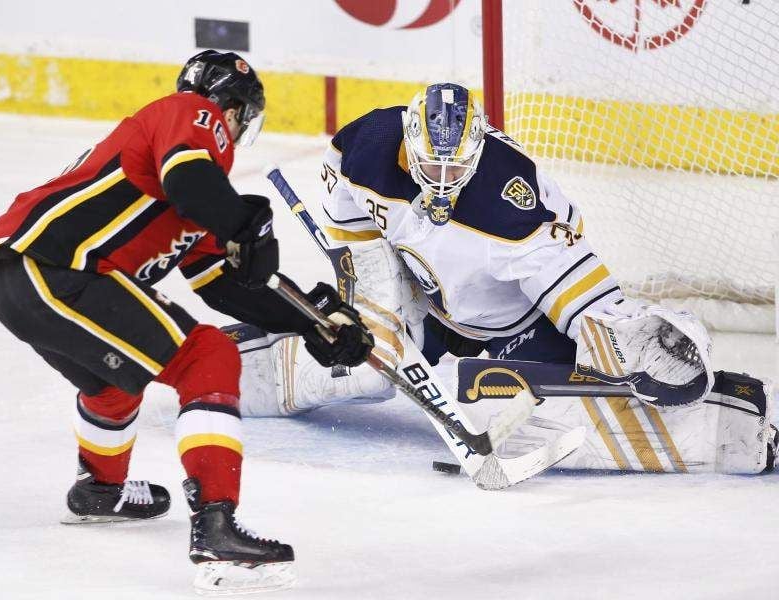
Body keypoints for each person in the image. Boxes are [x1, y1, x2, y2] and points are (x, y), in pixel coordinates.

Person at [226, 83, 776, 475]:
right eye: (432, 168)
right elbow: (346, 213)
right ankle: (238, 366)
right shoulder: (367, 146)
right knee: (361, 367)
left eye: (456, 170)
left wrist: (619, 330)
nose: (442, 184)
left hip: (515, 322)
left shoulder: (511, 202)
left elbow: (571, 280)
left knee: (572, 391)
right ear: (409, 146)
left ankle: (735, 421)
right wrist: (364, 291)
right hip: (424, 299)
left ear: (480, 148)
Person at [0, 49, 373, 594]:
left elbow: (223, 284)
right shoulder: (189, 115)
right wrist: (246, 224)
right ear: (231, 108)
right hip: (57, 268)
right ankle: (215, 526)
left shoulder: (192, 186)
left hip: (26, 283)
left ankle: (100, 489)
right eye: (240, 118)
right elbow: (193, 183)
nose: (235, 132)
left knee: (117, 380)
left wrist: (310, 321)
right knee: (206, 355)